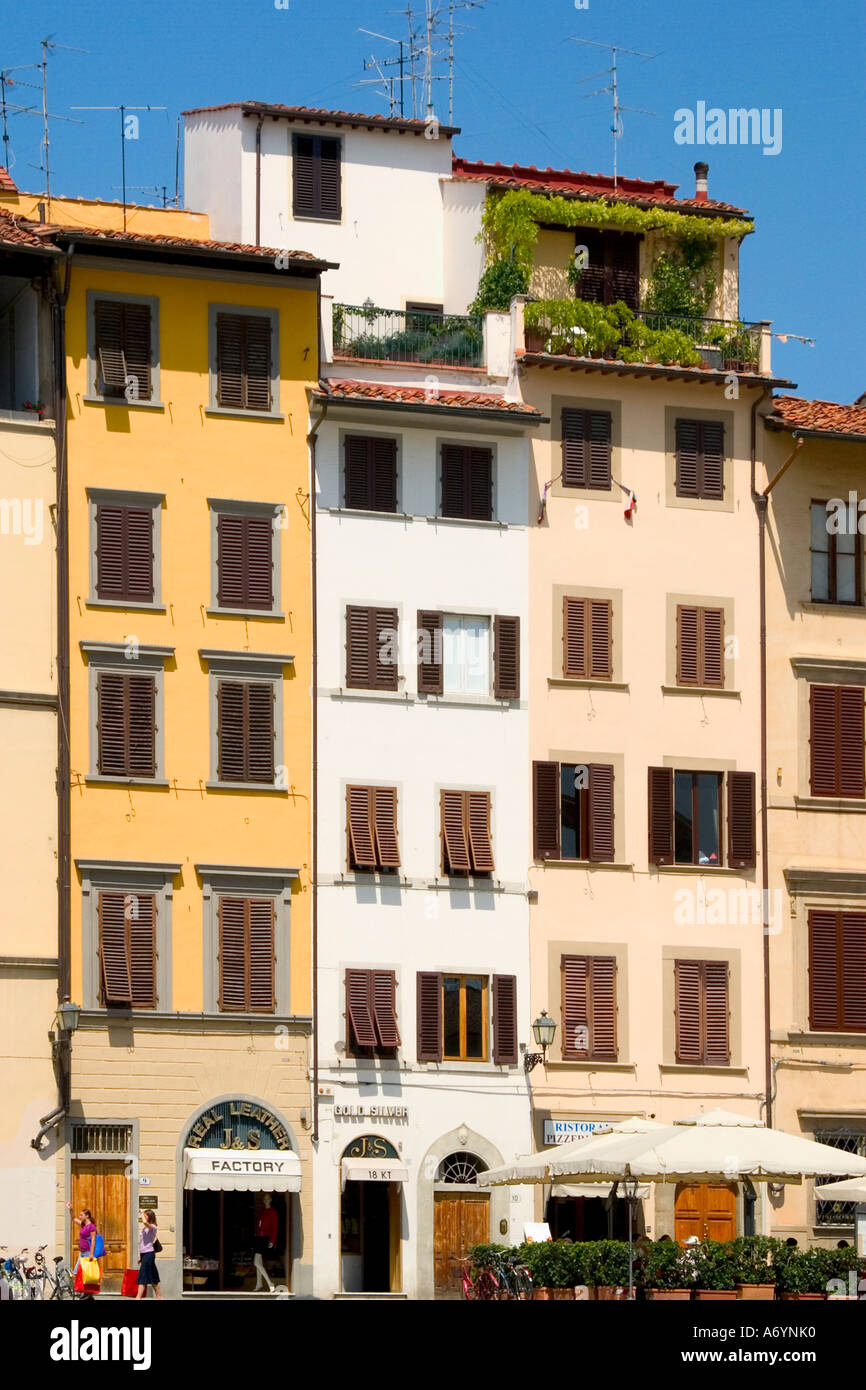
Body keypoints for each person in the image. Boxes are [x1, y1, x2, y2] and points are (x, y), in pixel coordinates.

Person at [65, 1201, 99, 1296]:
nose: (80, 1217)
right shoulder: (83, 1225)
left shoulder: (91, 1227)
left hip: (88, 1253)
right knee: (76, 1272)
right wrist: (70, 1208)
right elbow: (73, 1218)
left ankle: (86, 1294)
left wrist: (91, 1254)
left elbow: (93, 1241)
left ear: (87, 1216)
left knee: (87, 1274)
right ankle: (83, 1292)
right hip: (82, 1253)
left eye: (82, 1215)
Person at [136, 1208, 163, 1300]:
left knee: (142, 1275)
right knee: (152, 1275)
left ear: (150, 1217)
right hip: (144, 1254)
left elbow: (144, 1222)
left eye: (146, 1215)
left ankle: (138, 1298)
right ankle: (159, 1296)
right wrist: (140, 1256)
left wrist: (141, 1213)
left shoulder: (153, 1227)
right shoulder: (145, 1228)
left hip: (149, 1254)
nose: (144, 1217)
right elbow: (142, 1242)